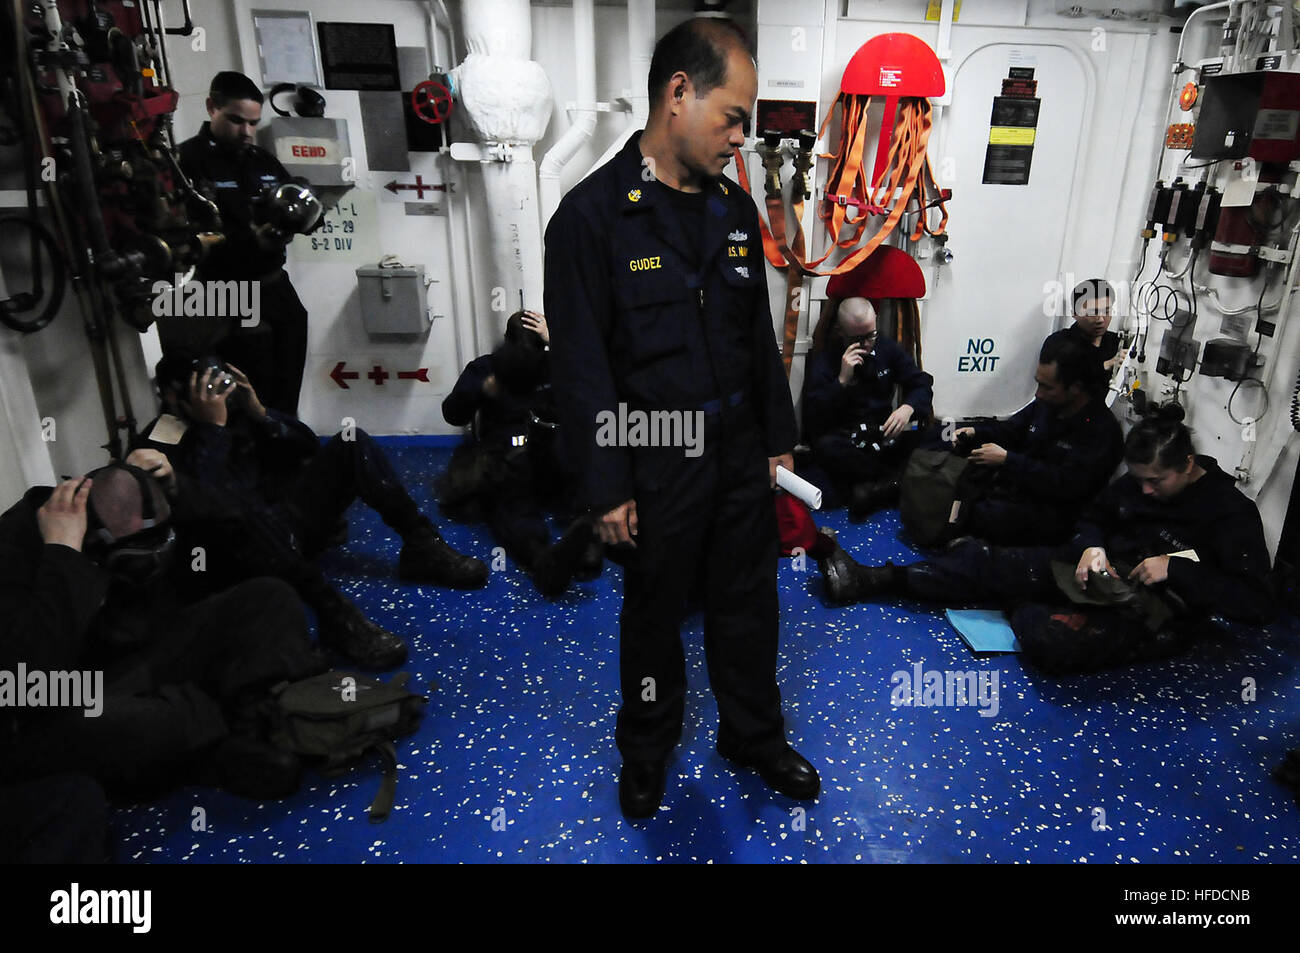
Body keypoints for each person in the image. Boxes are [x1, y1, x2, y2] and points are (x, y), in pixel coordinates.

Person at [544, 17, 819, 818]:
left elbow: (756, 336)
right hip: (654, 451)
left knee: (748, 600)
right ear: (678, 95)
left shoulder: (734, 211)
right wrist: (606, 490)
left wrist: (776, 439)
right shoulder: (591, 219)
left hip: (737, 447)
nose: (743, 135)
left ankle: (753, 735)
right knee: (655, 613)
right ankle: (648, 747)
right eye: (732, 116)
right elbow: (581, 372)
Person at [819, 405, 1277, 673]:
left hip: (1155, 608)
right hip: (1099, 572)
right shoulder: (1138, 485)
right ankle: (873, 579)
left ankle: (1016, 600)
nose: (1145, 492)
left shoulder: (1230, 512)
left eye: (1156, 482)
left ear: (1188, 464)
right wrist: (1092, 544)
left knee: (1049, 642)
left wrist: (1176, 569)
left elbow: (1256, 603)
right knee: (988, 561)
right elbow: (1094, 515)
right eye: (1139, 481)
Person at [132, 351, 489, 670]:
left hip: (284, 527)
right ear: (173, 395)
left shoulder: (233, 415)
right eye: (201, 388)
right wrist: (212, 429)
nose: (214, 394)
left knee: (351, 442)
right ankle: (334, 616)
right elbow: (213, 503)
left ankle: (421, 544)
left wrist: (260, 414)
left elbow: (306, 447)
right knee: (245, 514)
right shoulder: (160, 444)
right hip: (238, 556)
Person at [0, 455, 321, 802]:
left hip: (138, 656)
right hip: (62, 696)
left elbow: (244, 531)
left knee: (269, 597)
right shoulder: (14, 551)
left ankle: (216, 732)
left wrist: (182, 489)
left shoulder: (131, 512)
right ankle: (232, 728)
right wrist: (63, 557)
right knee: (128, 725)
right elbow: (25, 686)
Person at [167, 71, 309, 415]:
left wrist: (306, 216)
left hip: (274, 287)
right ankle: (247, 459)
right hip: (225, 292)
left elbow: (295, 204)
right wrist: (247, 241)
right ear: (211, 107)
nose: (246, 132)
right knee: (245, 384)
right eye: (236, 120)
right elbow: (176, 237)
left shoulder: (263, 161)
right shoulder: (184, 163)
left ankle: (286, 445)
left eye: (253, 123)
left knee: (286, 382)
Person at [441, 310, 599, 597]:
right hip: (505, 458)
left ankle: (586, 544)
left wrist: (559, 344)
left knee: (585, 469)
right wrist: (479, 390)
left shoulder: (554, 366)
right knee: (510, 501)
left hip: (549, 454)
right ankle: (542, 561)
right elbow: (452, 414)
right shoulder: (485, 369)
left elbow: (592, 381)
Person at [941, 334, 1123, 545]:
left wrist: (1008, 461)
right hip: (1017, 493)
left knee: (978, 512)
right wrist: (975, 433)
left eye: (1047, 387)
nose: (1038, 394)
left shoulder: (1101, 431)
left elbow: (1068, 486)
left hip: (1056, 516)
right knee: (947, 473)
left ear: (1076, 388)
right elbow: (1009, 431)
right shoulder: (1046, 406)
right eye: (1038, 384)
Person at [802, 295, 933, 518]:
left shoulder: (887, 349)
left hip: (882, 432)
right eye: (857, 338)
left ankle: (875, 488)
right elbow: (814, 416)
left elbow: (921, 384)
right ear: (841, 333)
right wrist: (841, 381)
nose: (865, 344)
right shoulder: (826, 360)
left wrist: (907, 408)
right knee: (825, 448)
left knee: (936, 437)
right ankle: (893, 483)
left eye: (870, 335)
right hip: (846, 438)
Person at [1046, 277, 1121, 374]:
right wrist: (1105, 366)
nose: (1101, 319)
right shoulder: (1057, 343)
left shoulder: (1116, 342)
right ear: (1075, 314)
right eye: (1093, 312)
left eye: (1106, 311)